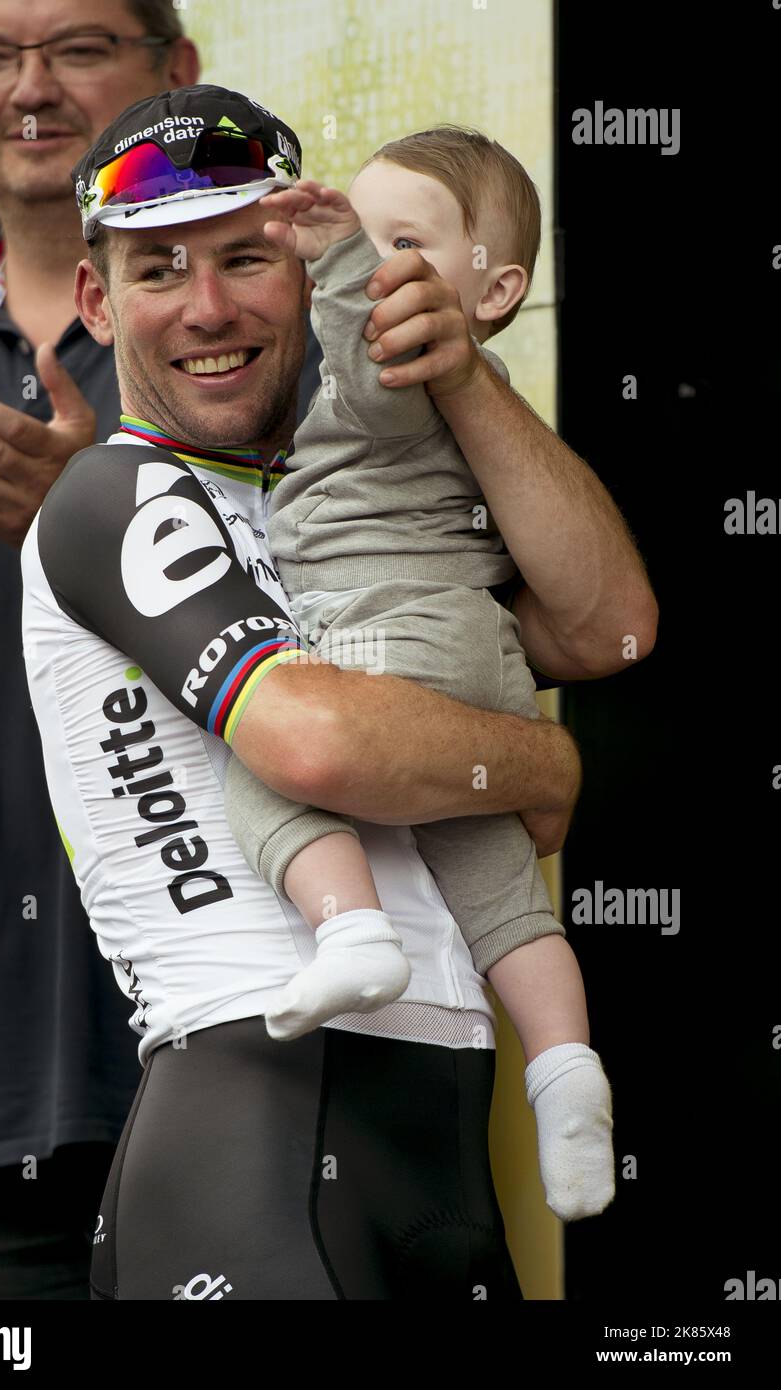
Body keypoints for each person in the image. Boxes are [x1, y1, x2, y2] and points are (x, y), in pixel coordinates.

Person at [19, 84, 655, 1298]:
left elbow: (607, 627)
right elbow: (312, 742)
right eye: (159, 270)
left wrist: (467, 380)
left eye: (245, 256)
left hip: (444, 1138)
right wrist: (543, 760)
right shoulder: (114, 492)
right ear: (97, 301)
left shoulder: (355, 492)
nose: (209, 306)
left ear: (312, 261)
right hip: (249, 1118)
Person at [218, 137, 618, 1221]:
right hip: (474, 653)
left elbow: (375, 378)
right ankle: (565, 1068)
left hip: (381, 633)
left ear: (495, 292)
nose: (375, 261)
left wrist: (344, 260)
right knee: (502, 898)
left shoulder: (398, 375)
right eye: (368, 236)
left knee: (259, 754)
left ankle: (351, 929)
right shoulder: (479, 406)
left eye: (405, 242)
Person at [0, 0, 204, 1299]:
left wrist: (88, 541)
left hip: (245, 1061)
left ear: (175, 70)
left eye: (76, 48)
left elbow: (351, 660)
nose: (30, 89)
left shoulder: (239, 331)